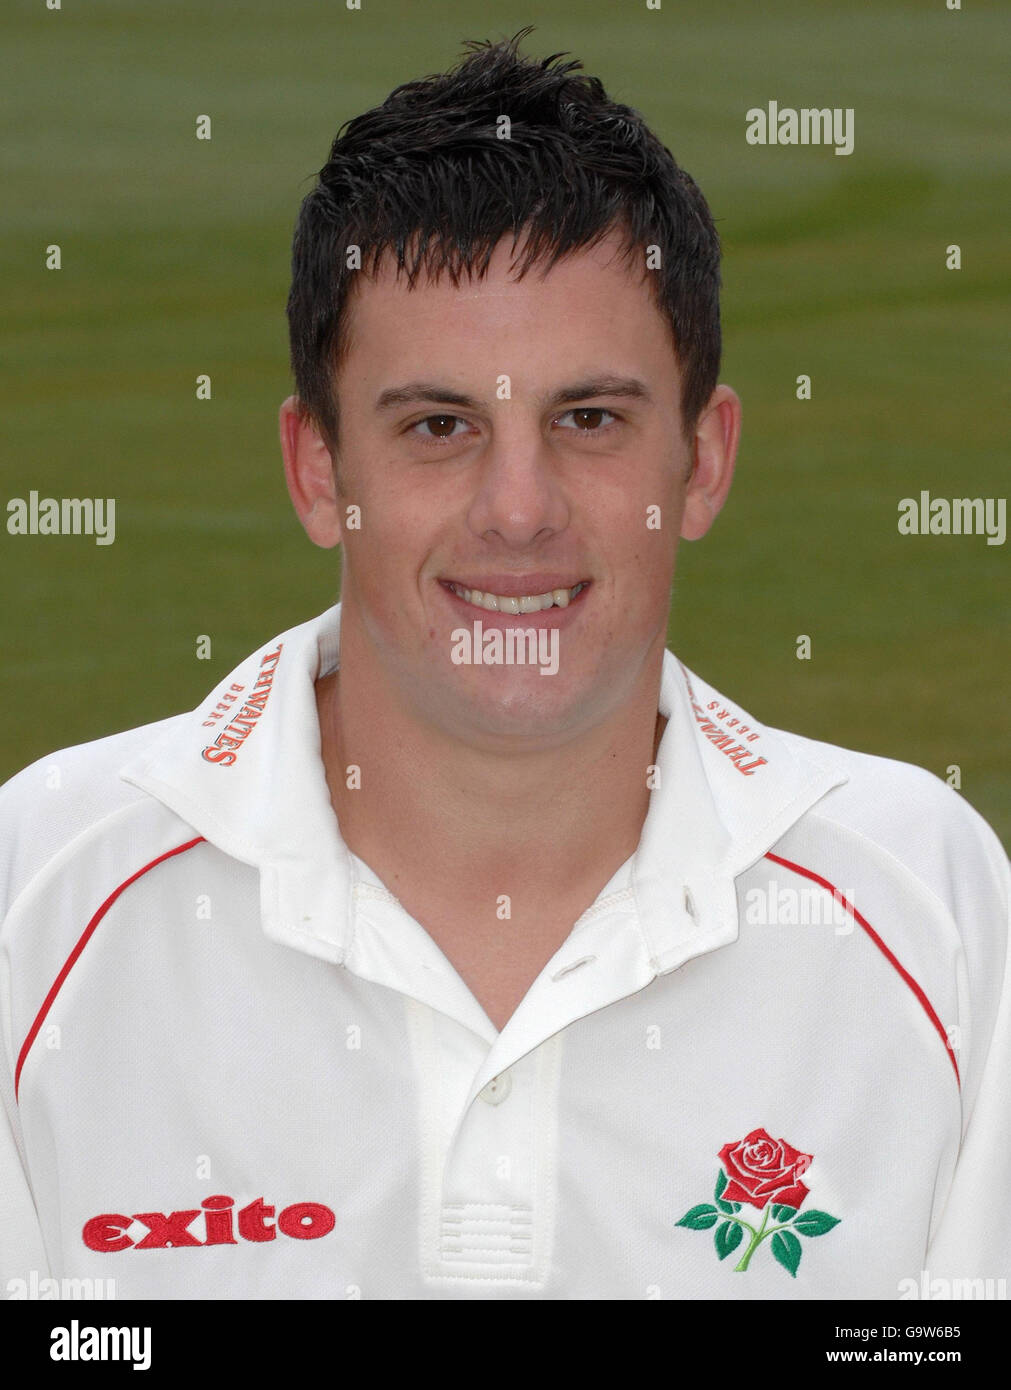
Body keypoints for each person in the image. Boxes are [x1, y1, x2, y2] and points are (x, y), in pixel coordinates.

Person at [1, 32, 1007, 1302]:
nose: (518, 509)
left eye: (588, 419)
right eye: (439, 425)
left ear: (702, 460)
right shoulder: (34, 901)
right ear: (319, 471)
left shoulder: (934, 908)